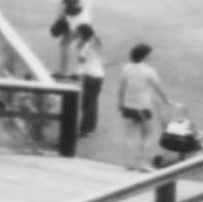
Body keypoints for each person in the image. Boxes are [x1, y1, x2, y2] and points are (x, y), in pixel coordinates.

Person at [118, 42, 174, 171]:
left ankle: (130, 162)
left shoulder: (125, 68)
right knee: (148, 134)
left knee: (130, 134)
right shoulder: (149, 71)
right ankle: (142, 162)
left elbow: (121, 89)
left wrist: (121, 104)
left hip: (128, 105)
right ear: (145, 56)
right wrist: (166, 100)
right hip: (143, 106)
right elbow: (158, 88)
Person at [52, 0, 94, 76]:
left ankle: (63, 72)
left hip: (75, 24)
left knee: (64, 44)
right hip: (85, 22)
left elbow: (67, 3)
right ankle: (80, 73)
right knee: (81, 48)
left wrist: (60, 17)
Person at [73, 25, 106, 138]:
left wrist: (79, 47)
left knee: (87, 103)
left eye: (78, 33)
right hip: (99, 74)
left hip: (90, 75)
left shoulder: (86, 45)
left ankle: (85, 128)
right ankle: (89, 127)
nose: (77, 35)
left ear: (83, 33)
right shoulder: (96, 42)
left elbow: (81, 60)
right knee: (92, 102)